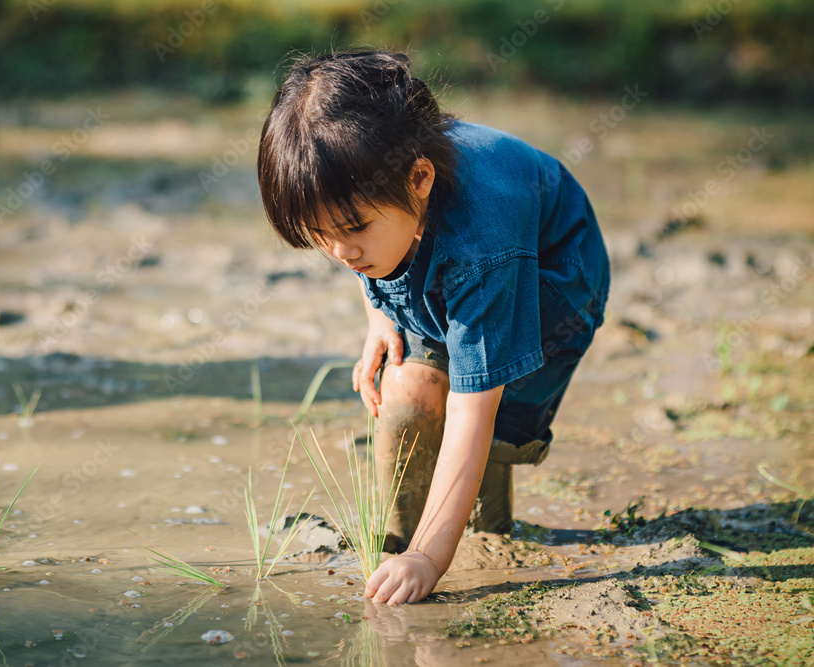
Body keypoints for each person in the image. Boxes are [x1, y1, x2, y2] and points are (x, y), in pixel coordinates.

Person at [256, 49, 609, 605]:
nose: (340, 252)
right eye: (319, 235)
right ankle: (398, 541)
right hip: (451, 241)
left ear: (419, 178)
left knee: (490, 412)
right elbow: (355, 240)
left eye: (351, 229)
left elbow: (475, 408)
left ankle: (484, 534)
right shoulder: (377, 191)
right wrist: (378, 314)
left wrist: (430, 560)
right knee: (408, 389)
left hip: (551, 276)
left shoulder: (483, 245)